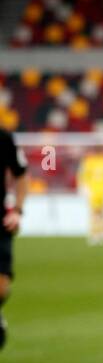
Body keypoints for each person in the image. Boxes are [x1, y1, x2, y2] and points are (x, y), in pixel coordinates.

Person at [0, 128, 29, 350]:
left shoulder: (4, 138)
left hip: (0, 221)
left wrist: (17, 210)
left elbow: (21, 174)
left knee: (1, 287)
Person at [76, 146, 103, 246]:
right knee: (94, 213)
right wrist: (83, 187)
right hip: (93, 191)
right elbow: (83, 175)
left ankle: (102, 233)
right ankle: (94, 234)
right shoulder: (89, 161)